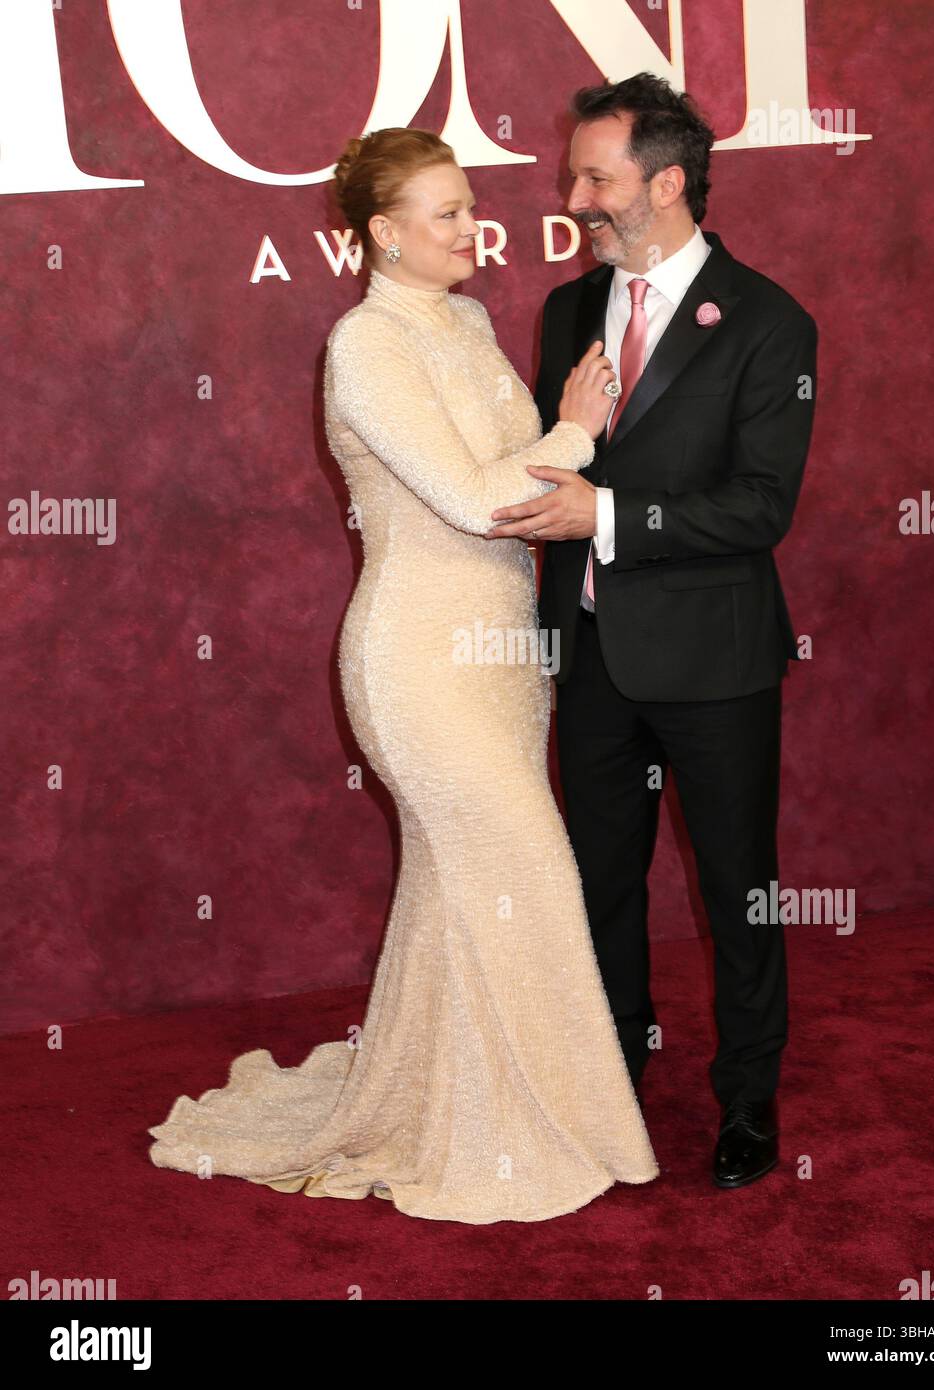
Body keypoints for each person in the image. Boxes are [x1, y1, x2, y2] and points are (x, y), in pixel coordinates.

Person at [147, 127, 659, 1224]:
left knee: (458, 890)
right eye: (445, 213)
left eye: (472, 204)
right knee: (525, 868)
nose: (474, 226)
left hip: (505, 658)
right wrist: (574, 429)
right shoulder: (364, 346)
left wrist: (566, 438)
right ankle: (544, 1125)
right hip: (418, 660)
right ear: (383, 234)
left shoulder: (467, 319)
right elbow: (478, 499)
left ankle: (453, 1100)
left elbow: (506, 475)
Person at [488, 75, 818, 1189]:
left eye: (594, 175)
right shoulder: (567, 310)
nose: (572, 191)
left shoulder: (770, 321)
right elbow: (554, 456)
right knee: (601, 884)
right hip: (589, 659)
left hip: (714, 663)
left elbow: (762, 505)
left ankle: (747, 1104)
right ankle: (610, 1078)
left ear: (666, 183)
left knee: (737, 886)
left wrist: (611, 516)